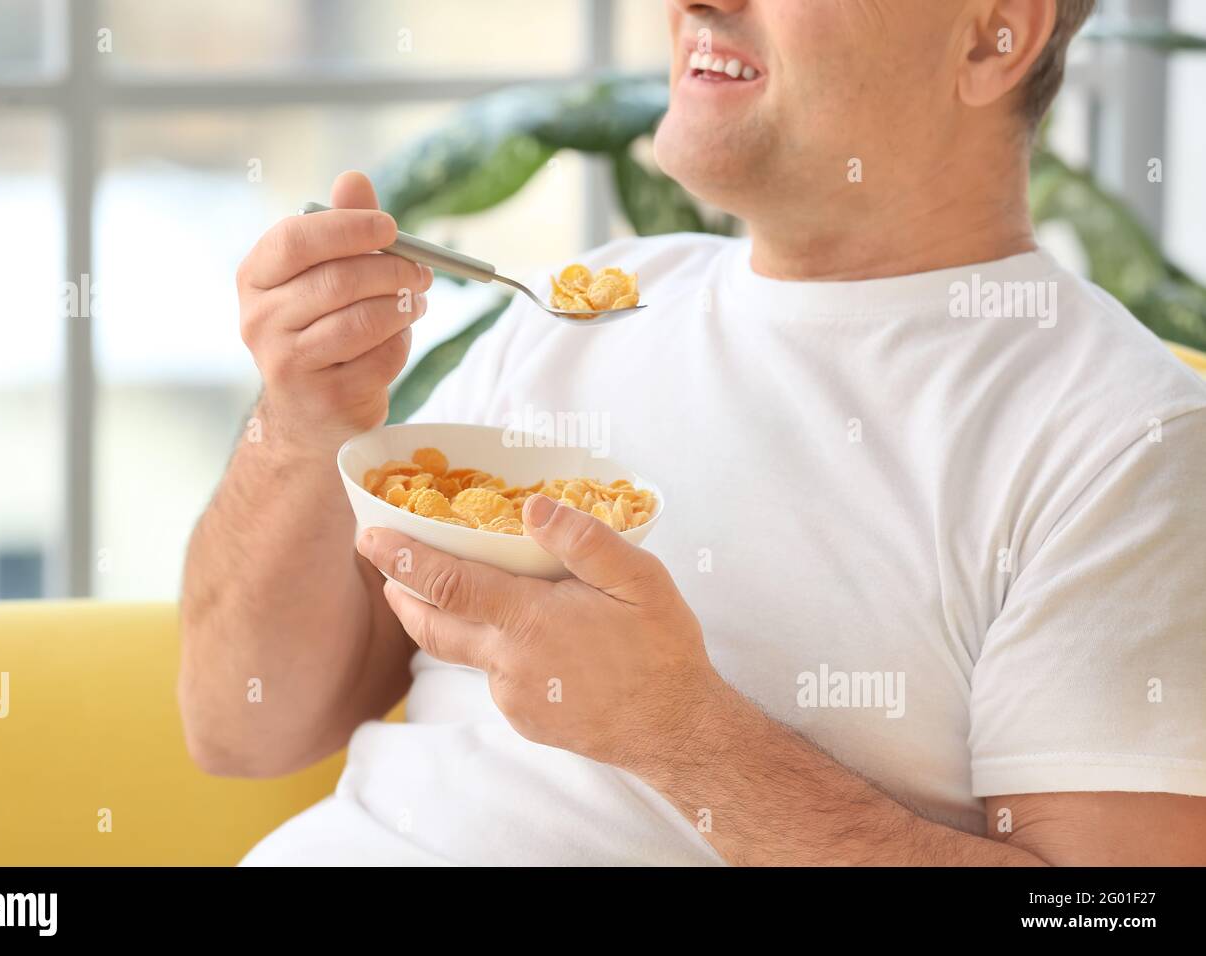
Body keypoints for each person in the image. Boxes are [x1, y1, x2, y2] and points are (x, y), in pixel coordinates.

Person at [179, 0, 1206, 865]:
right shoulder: (601, 300)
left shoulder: (1122, 437)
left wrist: (680, 734)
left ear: (991, 36)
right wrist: (300, 425)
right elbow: (241, 726)